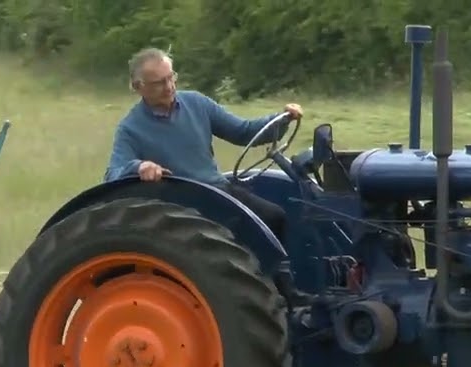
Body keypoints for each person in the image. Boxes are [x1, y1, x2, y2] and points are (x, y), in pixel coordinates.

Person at [103, 47, 315, 306]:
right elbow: (113, 173)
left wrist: (281, 119)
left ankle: (279, 287)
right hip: (183, 201)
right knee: (262, 222)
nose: (169, 86)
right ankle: (277, 296)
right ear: (138, 87)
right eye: (159, 83)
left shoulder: (196, 103)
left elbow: (243, 131)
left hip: (216, 190)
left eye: (171, 78)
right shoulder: (131, 128)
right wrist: (139, 166)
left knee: (276, 216)